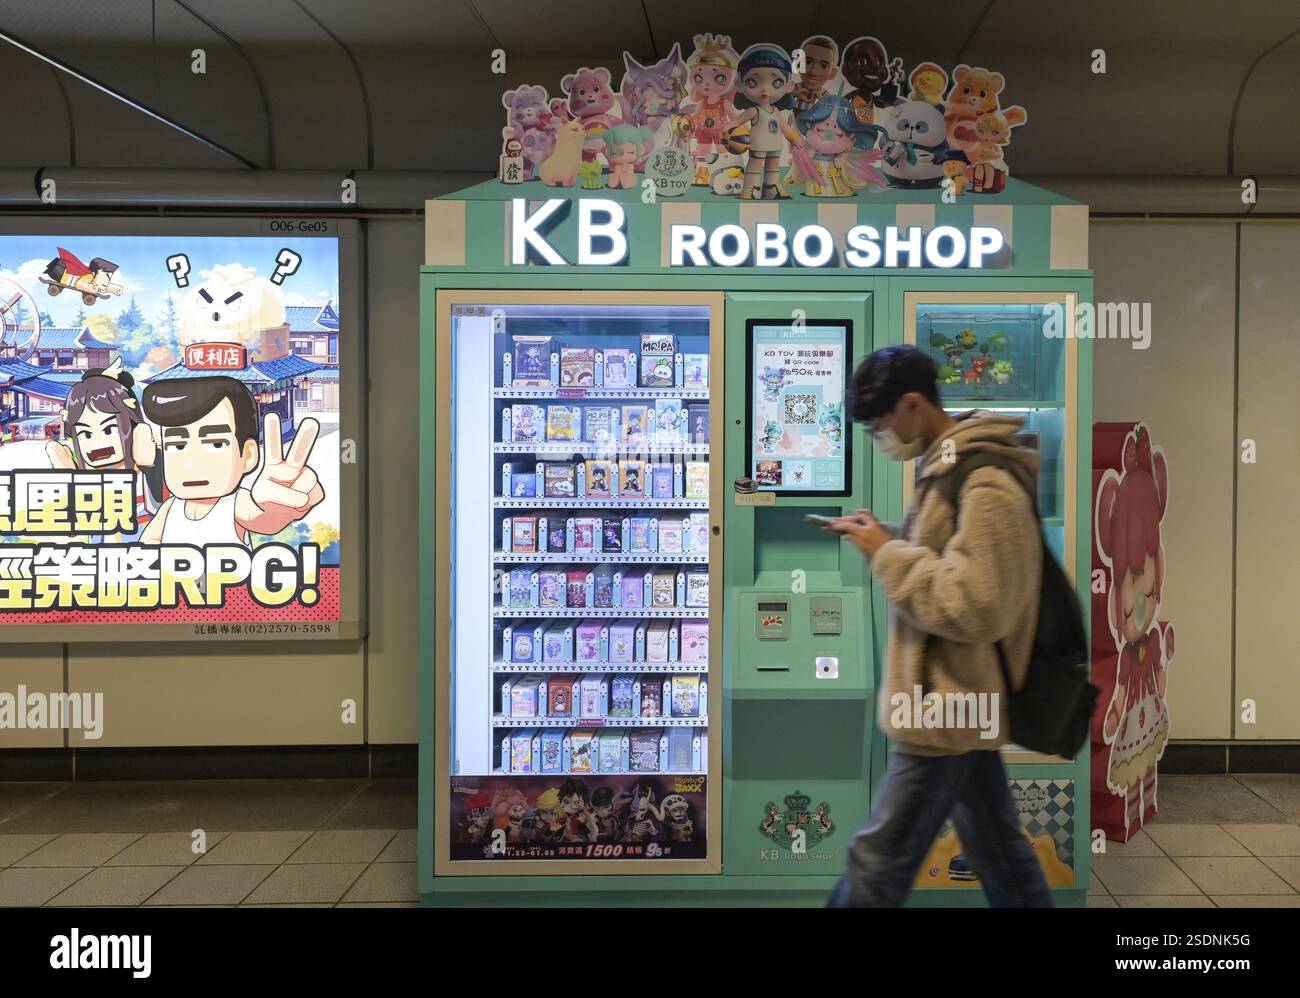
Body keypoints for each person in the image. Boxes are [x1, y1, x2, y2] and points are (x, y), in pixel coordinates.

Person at [823, 345, 1052, 908]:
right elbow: (950, 564)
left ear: (912, 405)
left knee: (877, 861)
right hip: (954, 702)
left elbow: (979, 602)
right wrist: (886, 538)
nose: (881, 438)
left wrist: (887, 555)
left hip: (944, 706)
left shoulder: (986, 479)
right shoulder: (945, 467)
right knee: (1001, 855)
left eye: (880, 425)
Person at [140, 375, 324, 547]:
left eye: (216, 443)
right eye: (177, 446)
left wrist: (282, 508)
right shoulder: (170, 507)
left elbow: (263, 519)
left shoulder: (234, 503)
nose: (191, 463)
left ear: (248, 455)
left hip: (231, 582)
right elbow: (147, 545)